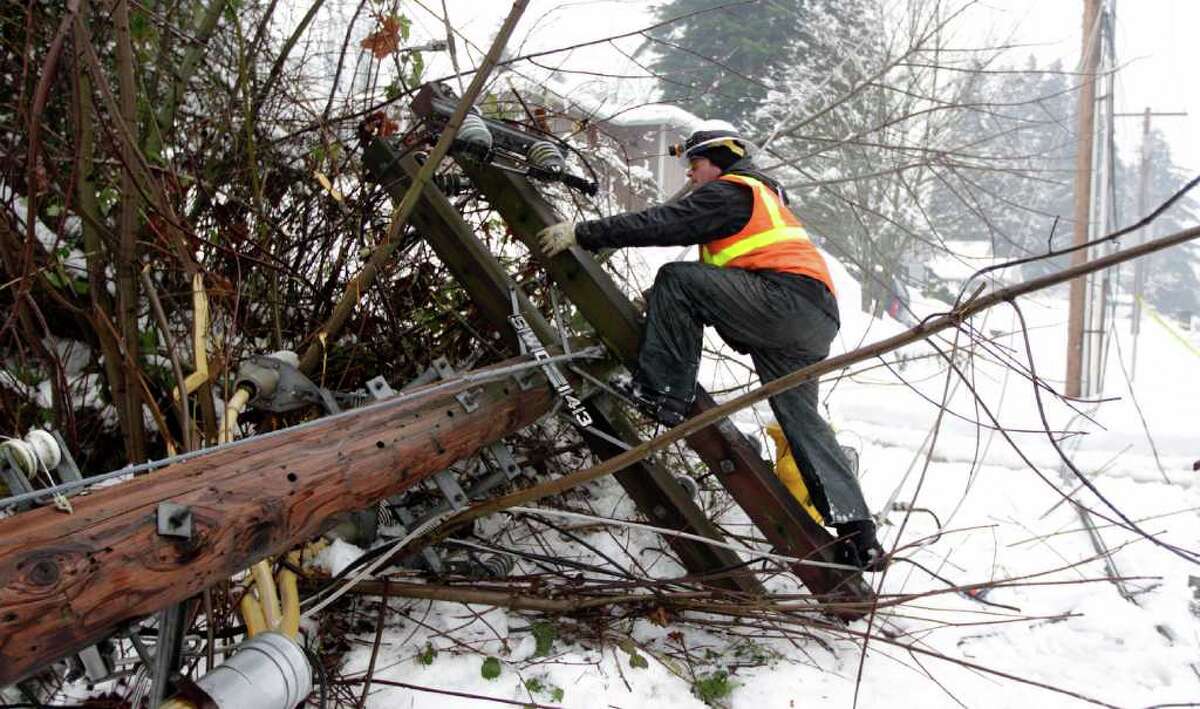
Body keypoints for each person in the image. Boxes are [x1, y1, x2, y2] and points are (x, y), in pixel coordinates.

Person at [535, 121, 885, 571]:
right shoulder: (763, 200)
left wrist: (585, 233)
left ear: (720, 160)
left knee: (677, 279)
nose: (691, 176)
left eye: (695, 164)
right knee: (802, 420)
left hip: (784, 301)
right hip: (812, 316)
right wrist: (663, 309)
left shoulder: (734, 191)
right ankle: (859, 532)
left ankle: (663, 393)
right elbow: (727, 276)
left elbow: (664, 223)